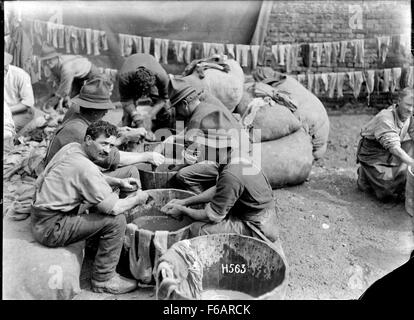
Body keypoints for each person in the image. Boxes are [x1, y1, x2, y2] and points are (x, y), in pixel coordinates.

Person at [31, 120, 150, 294]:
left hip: (44, 214)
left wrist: (117, 181)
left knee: (102, 197)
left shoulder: (73, 148)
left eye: (111, 145)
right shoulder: (84, 166)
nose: (107, 150)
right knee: (117, 220)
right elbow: (114, 208)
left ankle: (96, 243)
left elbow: (84, 178)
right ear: (88, 139)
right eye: (103, 143)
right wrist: (139, 199)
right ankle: (103, 278)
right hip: (51, 228)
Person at [161, 112, 280, 247]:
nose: (199, 148)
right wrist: (185, 201)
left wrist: (182, 210)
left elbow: (211, 216)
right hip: (256, 213)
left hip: (258, 227)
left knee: (196, 229)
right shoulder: (233, 156)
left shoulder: (231, 173)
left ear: (215, 146)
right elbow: (217, 189)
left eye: (203, 145)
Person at [43, 77, 165, 181]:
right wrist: (147, 156)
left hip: (67, 175)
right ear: (95, 111)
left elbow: (100, 130)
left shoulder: (77, 114)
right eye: (104, 108)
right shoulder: (77, 130)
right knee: (130, 171)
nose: (106, 112)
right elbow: (112, 158)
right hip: (63, 183)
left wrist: (123, 131)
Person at [167, 77, 249, 194]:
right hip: (241, 154)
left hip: (232, 163)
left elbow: (190, 159)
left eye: (177, 107)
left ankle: (203, 201)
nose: (178, 112)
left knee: (183, 175)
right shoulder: (208, 106)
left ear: (184, 104)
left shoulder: (196, 120)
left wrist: (171, 168)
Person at [357, 88, 414, 202]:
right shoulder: (386, 118)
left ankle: (387, 175)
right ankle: (365, 174)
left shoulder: (410, 116)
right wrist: (412, 163)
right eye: (408, 105)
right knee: (388, 191)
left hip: (390, 151)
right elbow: (395, 149)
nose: (410, 109)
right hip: (373, 154)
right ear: (399, 101)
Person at [118, 53, 173, 130]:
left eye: (146, 91)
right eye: (142, 91)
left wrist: (149, 115)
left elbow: (164, 98)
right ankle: (126, 129)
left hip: (150, 61)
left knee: (165, 110)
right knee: (128, 115)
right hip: (131, 65)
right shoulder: (124, 78)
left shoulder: (162, 77)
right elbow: (126, 101)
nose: (144, 95)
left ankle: (162, 128)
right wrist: (135, 115)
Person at [40, 45, 101, 109]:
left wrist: (57, 98)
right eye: (45, 60)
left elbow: (65, 87)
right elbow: (59, 81)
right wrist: (64, 96)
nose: (47, 62)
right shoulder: (53, 66)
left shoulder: (66, 67)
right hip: (75, 77)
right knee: (71, 100)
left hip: (90, 73)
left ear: (56, 57)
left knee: (88, 100)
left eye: (50, 59)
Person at [4, 51, 36, 133]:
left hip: (21, 112)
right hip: (6, 112)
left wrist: (7, 111)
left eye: (5, 67)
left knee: (6, 128)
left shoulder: (20, 75)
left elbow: (27, 103)